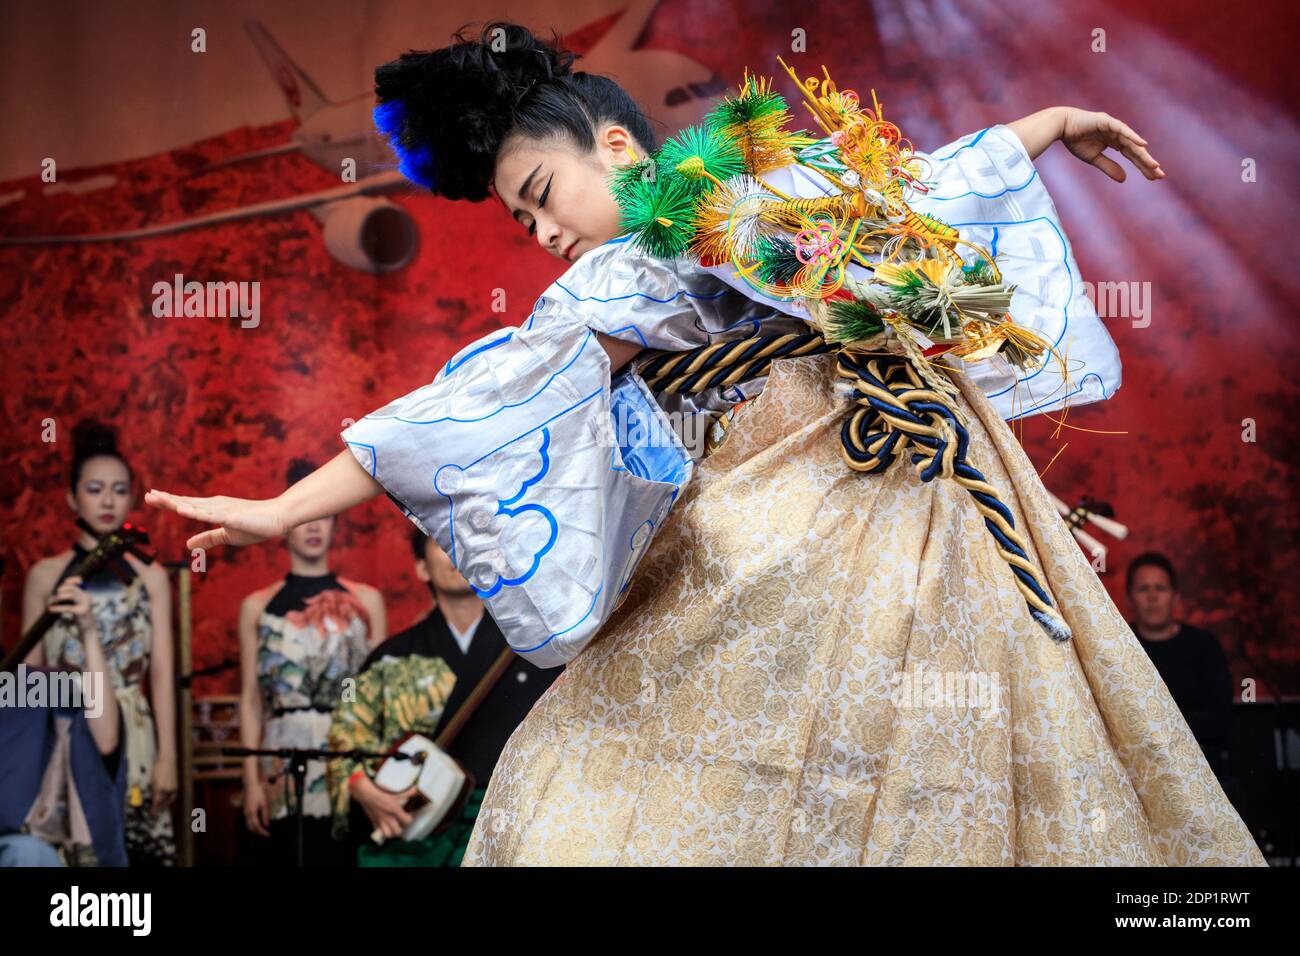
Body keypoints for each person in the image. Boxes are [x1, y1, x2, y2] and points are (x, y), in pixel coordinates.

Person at [147, 23, 1266, 865]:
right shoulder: (613, 290)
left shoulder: (763, 197)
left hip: (913, 525)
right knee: (601, 779)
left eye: (542, 194)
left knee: (959, 782)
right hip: (760, 560)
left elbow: (911, 186)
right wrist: (283, 509)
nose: (541, 233)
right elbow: (465, 406)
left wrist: (1050, 128)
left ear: (619, 144)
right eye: (521, 222)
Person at [327, 528, 559, 866]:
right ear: (421, 568)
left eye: (465, 541)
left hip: (511, 818)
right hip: (419, 824)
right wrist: (362, 788)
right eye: (441, 540)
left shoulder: (533, 647)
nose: (456, 549)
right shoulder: (388, 658)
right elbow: (342, 732)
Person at [22, 419, 176, 866]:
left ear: (131, 496)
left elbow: (163, 673)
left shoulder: (149, 576)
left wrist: (169, 755)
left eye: (119, 489)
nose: (107, 500)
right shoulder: (46, 576)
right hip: (67, 726)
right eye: (94, 489)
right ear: (72, 497)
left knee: (135, 850)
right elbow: (30, 676)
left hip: (135, 724)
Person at [235, 458, 386, 867]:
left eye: (324, 514)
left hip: (349, 758)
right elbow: (250, 700)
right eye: (304, 515)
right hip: (280, 756)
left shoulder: (366, 602)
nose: (315, 525)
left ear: (336, 522)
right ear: (283, 521)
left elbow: (378, 699)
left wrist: (376, 776)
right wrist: (250, 780)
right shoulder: (257, 607)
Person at [2, 574, 127, 867]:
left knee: (31, 855)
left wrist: (88, 632)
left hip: (18, 843)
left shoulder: (24, 685)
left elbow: (106, 737)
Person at [1126, 552, 1235, 779]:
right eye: (1143, 589)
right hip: (1136, 770)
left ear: (1175, 597)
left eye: (1160, 588)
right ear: (1129, 598)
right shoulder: (1117, 647)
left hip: (1200, 767)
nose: (1152, 597)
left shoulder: (1203, 645)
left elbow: (1219, 721)